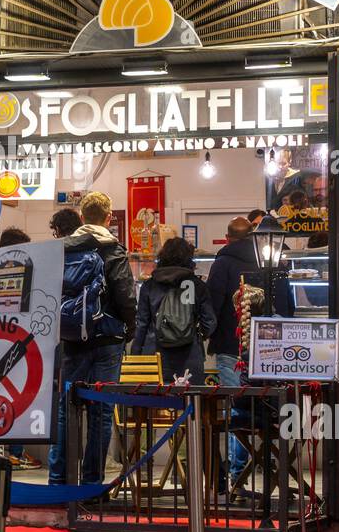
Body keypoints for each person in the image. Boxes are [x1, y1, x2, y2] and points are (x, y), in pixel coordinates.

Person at [50, 191, 136, 486]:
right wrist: (130, 329)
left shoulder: (63, 250)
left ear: (82, 218)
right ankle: (91, 484)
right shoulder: (114, 250)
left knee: (65, 409)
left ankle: (59, 480)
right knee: (100, 412)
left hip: (72, 338)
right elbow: (126, 295)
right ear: (109, 217)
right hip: (108, 340)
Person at [207, 216, 263, 490]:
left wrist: (207, 333)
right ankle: (243, 472)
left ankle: (236, 476)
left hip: (231, 346)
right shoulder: (265, 259)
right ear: (252, 236)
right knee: (253, 408)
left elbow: (213, 305)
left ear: (227, 238)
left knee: (234, 408)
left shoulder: (222, 263)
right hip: (264, 349)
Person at [131, 237, 216, 384]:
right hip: (190, 356)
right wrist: (196, 335)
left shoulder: (150, 285)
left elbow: (142, 324)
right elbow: (209, 323)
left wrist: (136, 354)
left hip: (155, 356)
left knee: (153, 402)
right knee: (190, 402)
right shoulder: (197, 285)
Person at [0, 226, 42, 469]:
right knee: (18, 397)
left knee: (2, 396)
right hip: (15, 342)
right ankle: (15, 451)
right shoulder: (22, 274)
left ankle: (8, 450)